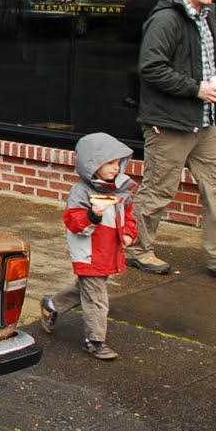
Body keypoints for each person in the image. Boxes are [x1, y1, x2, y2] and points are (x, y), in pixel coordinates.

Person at [129, 0, 216, 279]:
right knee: (158, 190)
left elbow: (202, 62)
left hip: (204, 121)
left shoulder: (208, 16)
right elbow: (151, 68)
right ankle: (137, 249)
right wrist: (197, 88)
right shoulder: (166, 19)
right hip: (169, 121)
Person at [41, 133, 138, 360]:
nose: (116, 168)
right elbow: (74, 222)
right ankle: (95, 341)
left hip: (108, 251)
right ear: (93, 165)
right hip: (89, 253)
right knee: (97, 298)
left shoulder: (119, 189)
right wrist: (93, 215)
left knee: (85, 288)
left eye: (118, 163)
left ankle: (52, 304)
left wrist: (129, 234)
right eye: (110, 164)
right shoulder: (82, 192)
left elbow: (129, 215)